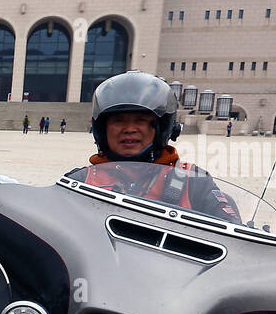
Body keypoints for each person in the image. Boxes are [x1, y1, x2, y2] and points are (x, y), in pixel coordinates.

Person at [66, 71, 240, 224]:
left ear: (162, 128)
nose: (129, 129)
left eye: (140, 120)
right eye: (118, 120)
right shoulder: (79, 181)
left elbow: (234, 239)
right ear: (102, 130)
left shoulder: (194, 181)